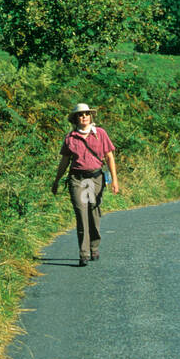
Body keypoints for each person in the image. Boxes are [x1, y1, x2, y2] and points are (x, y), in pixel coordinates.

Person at [51, 103, 119, 266]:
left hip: (95, 178)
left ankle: (94, 246)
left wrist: (115, 181)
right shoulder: (70, 138)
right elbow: (65, 161)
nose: (84, 117)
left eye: (86, 114)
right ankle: (84, 253)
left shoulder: (100, 134)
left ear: (90, 116)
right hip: (77, 179)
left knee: (93, 213)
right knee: (81, 214)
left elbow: (109, 157)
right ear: (75, 118)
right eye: (80, 114)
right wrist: (57, 180)